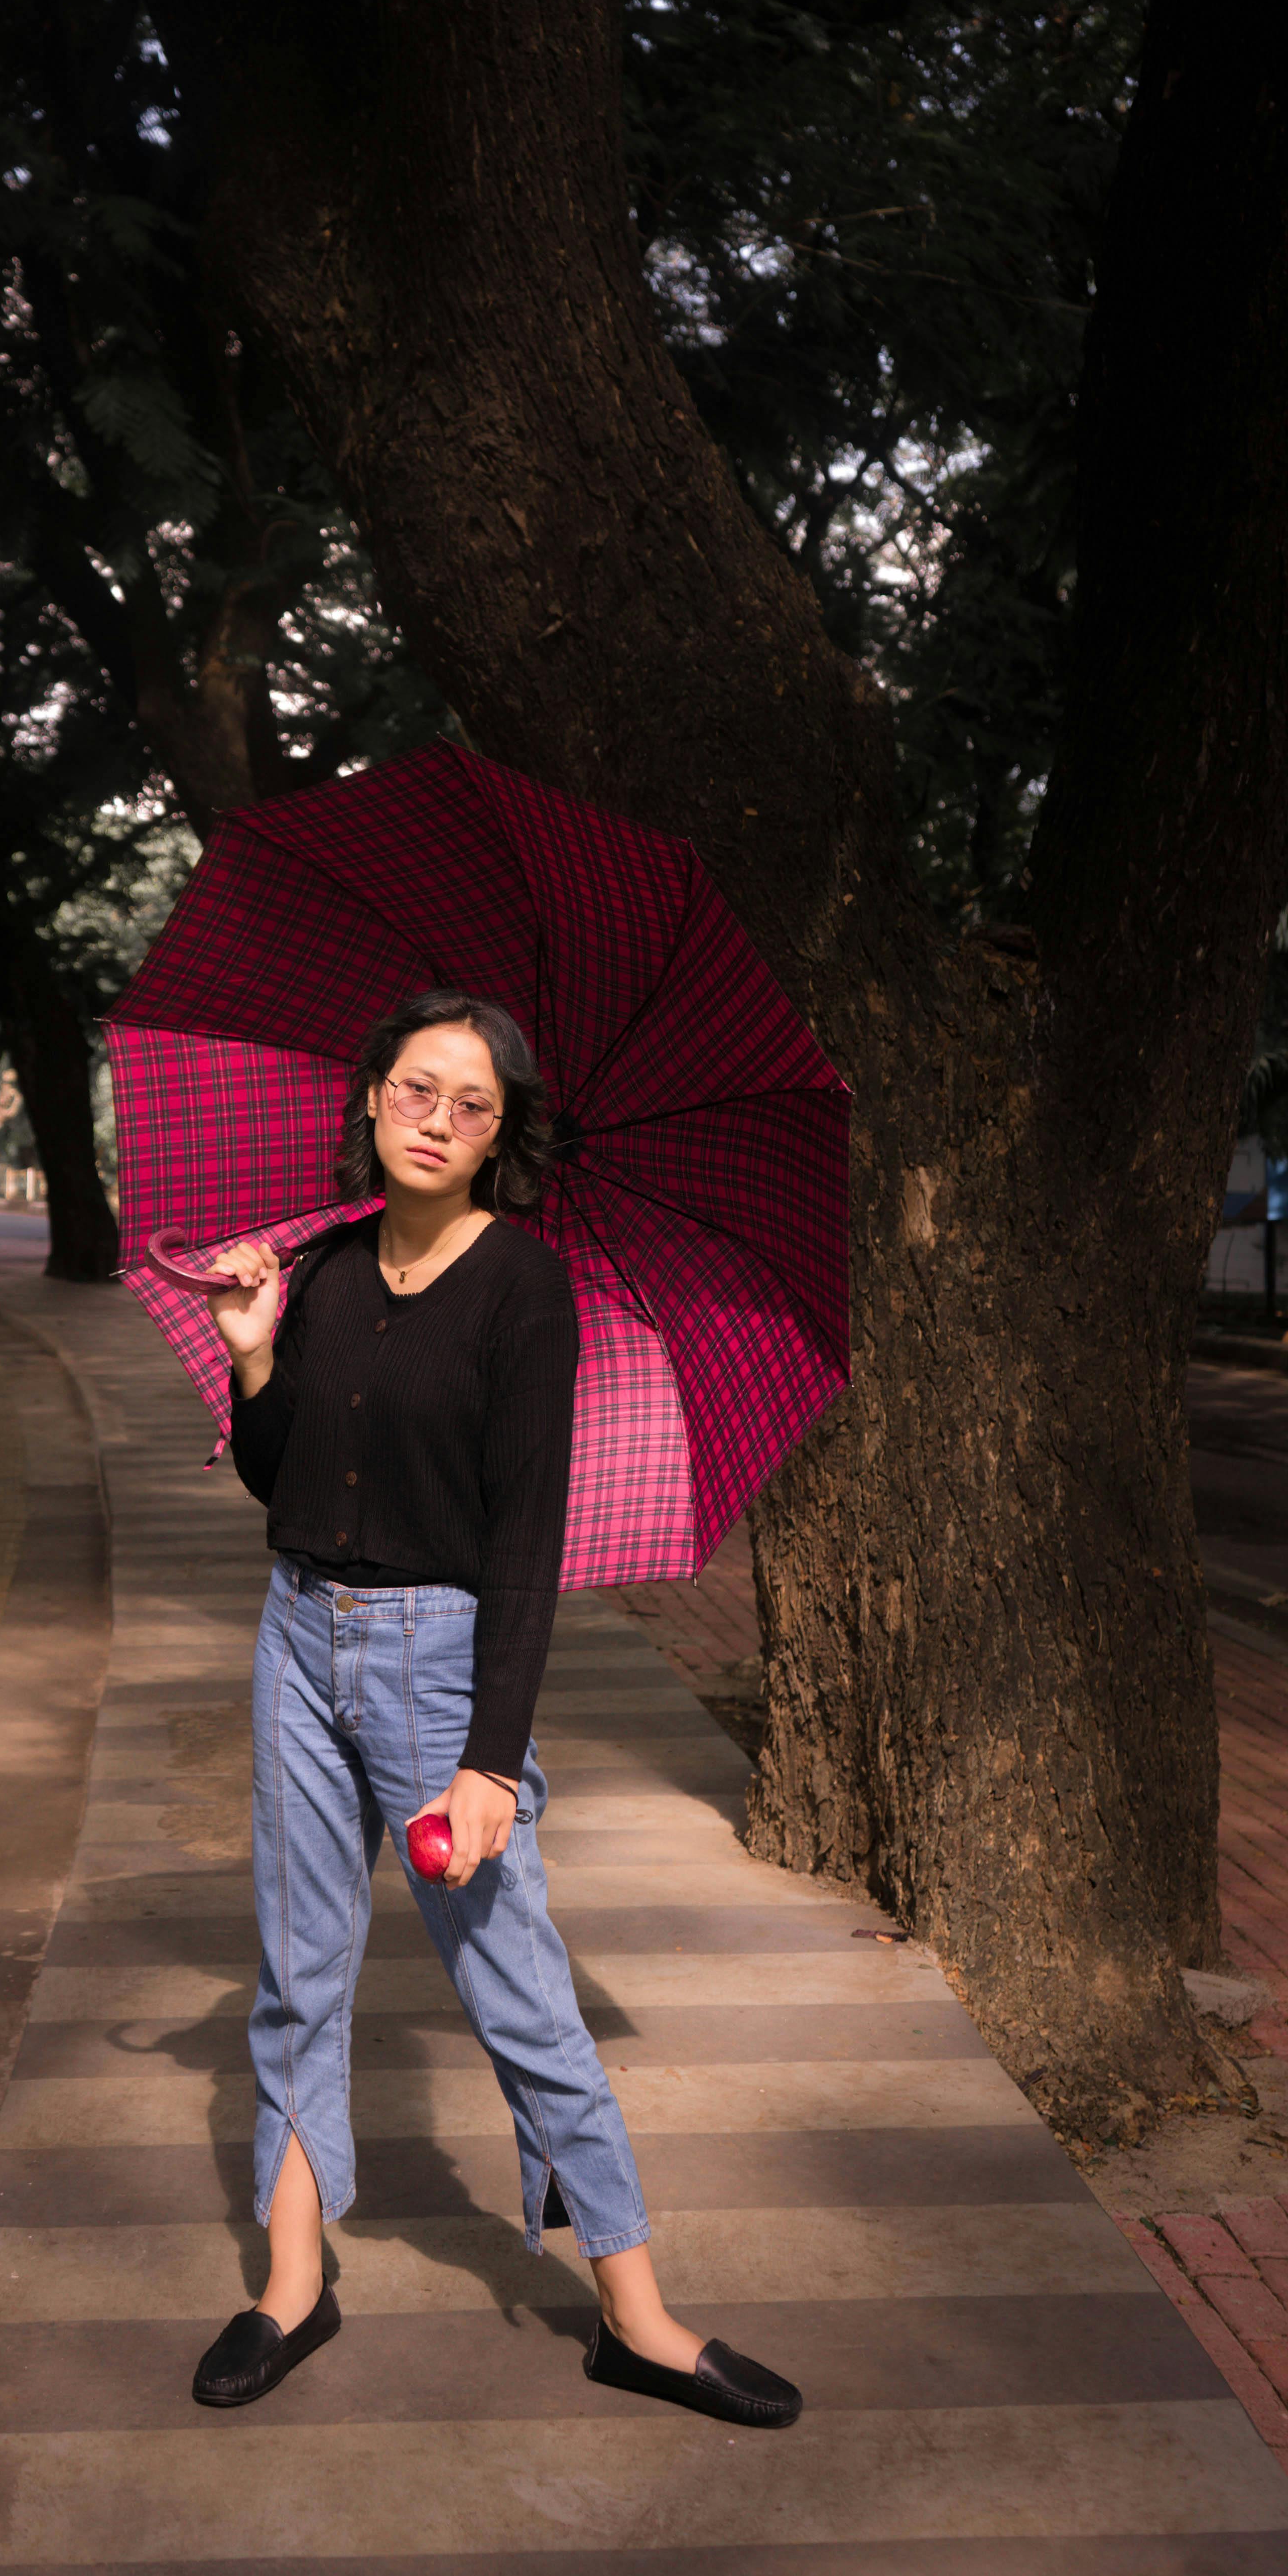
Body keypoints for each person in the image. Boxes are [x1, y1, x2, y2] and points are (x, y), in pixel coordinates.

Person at [196, 985, 802, 2429]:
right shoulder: (324, 1269)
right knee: (298, 1975)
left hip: (436, 1664)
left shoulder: (527, 1291)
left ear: (500, 1136)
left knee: (516, 1987)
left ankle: (636, 2316)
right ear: (370, 1096)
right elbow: (279, 1476)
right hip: (293, 1641)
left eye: (473, 1106)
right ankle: (293, 2283)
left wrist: (490, 1762)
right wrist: (254, 1349)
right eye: (417, 1090)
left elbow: (529, 1544)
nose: (438, 1122)